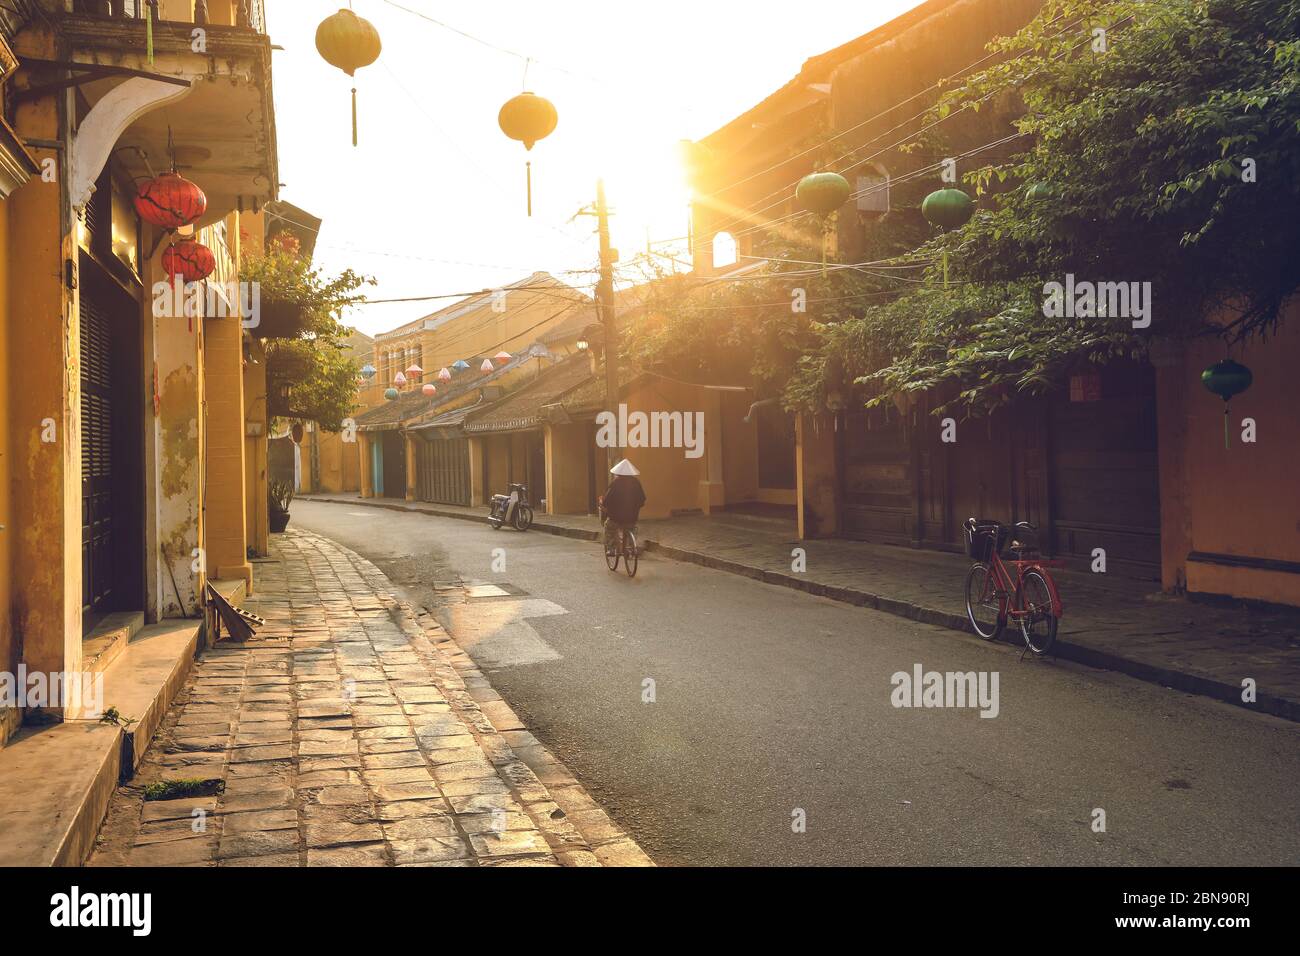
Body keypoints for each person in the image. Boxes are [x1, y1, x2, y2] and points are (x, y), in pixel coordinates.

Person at [601, 458, 646, 555]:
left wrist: (603, 503)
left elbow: (606, 500)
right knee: (631, 529)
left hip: (615, 518)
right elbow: (642, 500)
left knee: (608, 527)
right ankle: (631, 547)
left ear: (618, 473)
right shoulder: (636, 483)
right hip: (631, 517)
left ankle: (612, 549)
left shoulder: (615, 483)